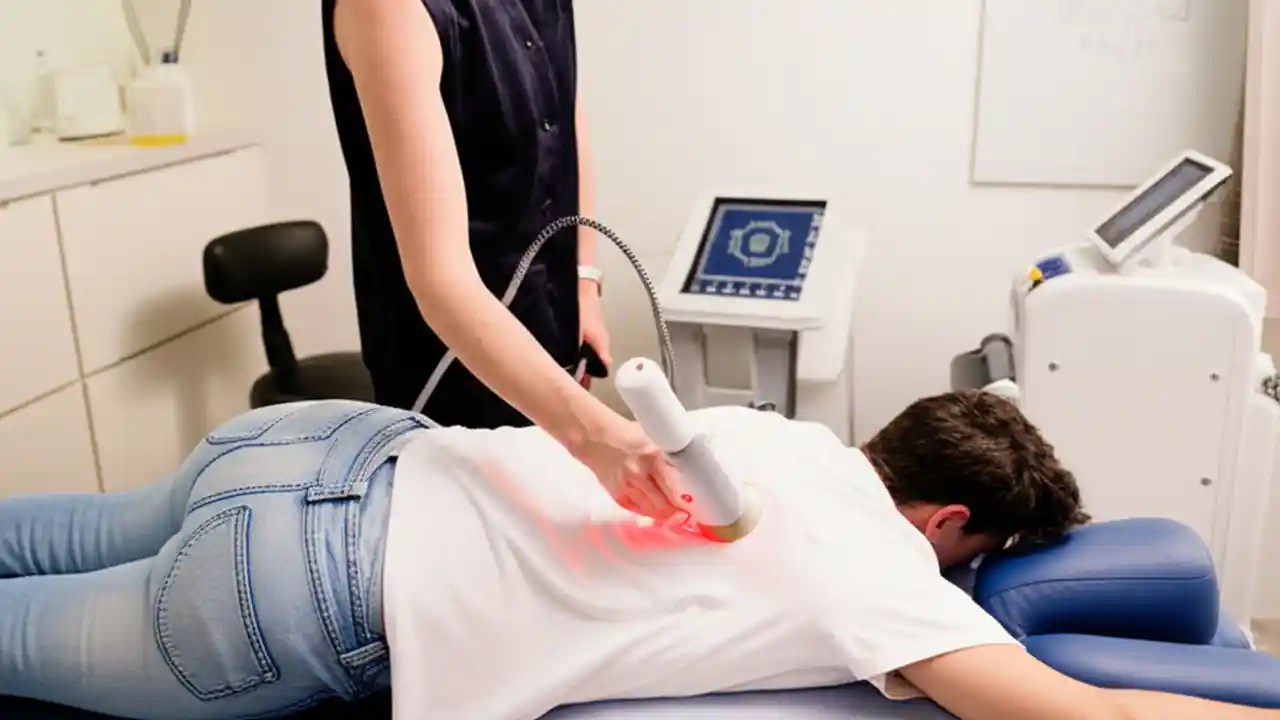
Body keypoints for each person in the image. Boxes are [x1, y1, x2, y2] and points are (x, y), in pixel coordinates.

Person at [0, 392, 1273, 720]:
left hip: (319, 450)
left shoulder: (763, 433)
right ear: (946, 527)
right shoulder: (889, 584)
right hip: (292, 596)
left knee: (31, 531)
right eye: (971, 557)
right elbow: (1075, 710)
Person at [319, 0, 681, 520]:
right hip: (451, 356)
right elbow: (441, 281)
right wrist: (599, 436)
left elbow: (563, 113)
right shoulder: (386, 8)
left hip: (551, 304)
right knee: (483, 542)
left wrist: (582, 284)